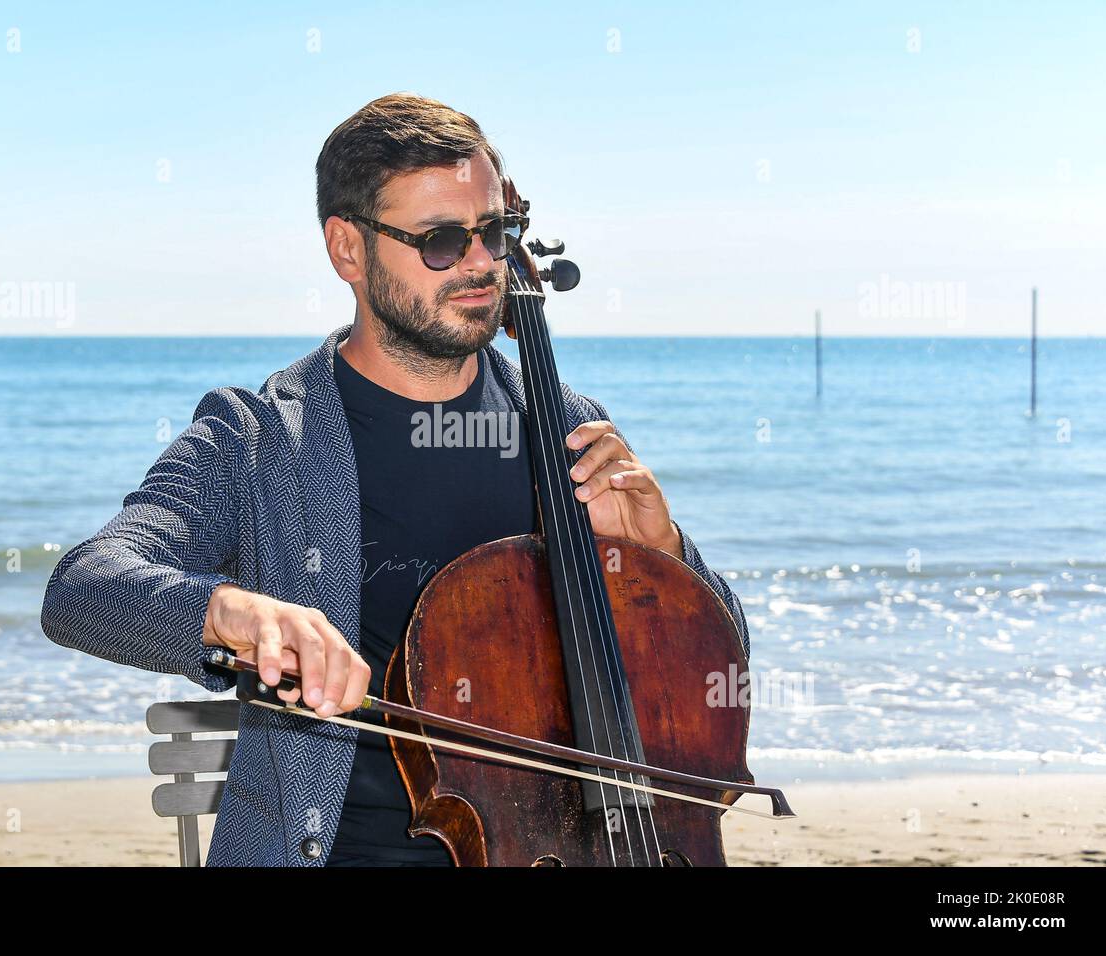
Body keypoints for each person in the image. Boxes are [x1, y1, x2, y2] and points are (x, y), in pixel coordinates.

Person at [41, 92, 749, 867]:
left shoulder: (567, 426)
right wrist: (233, 615)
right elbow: (83, 589)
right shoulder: (260, 441)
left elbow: (716, 672)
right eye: (442, 241)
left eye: (495, 233)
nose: (482, 263)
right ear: (348, 250)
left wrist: (667, 559)